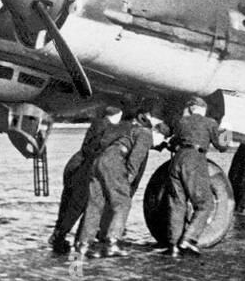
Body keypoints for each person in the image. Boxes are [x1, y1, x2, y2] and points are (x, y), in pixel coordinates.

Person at [76, 103, 165, 258]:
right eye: (161, 139)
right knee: (123, 202)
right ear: (157, 132)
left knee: (95, 203)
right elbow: (135, 160)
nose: (158, 144)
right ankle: (112, 243)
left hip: (99, 162)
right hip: (114, 161)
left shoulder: (129, 129)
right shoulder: (146, 134)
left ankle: (84, 245)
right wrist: (127, 180)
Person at [49, 105, 123, 253]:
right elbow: (95, 148)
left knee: (68, 204)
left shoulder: (97, 124)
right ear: (117, 116)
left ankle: (59, 236)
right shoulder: (106, 128)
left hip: (77, 167)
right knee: (79, 205)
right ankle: (75, 242)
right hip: (85, 171)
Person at [165, 96, 229, 255]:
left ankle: (173, 245)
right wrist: (227, 130)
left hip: (177, 160)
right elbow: (222, 146)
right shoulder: (210, 123)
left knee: (177, 203)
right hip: (195, 160)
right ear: (203, 109)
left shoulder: (181, 121)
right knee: (205, 204)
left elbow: (172, 142)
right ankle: (188, 240)